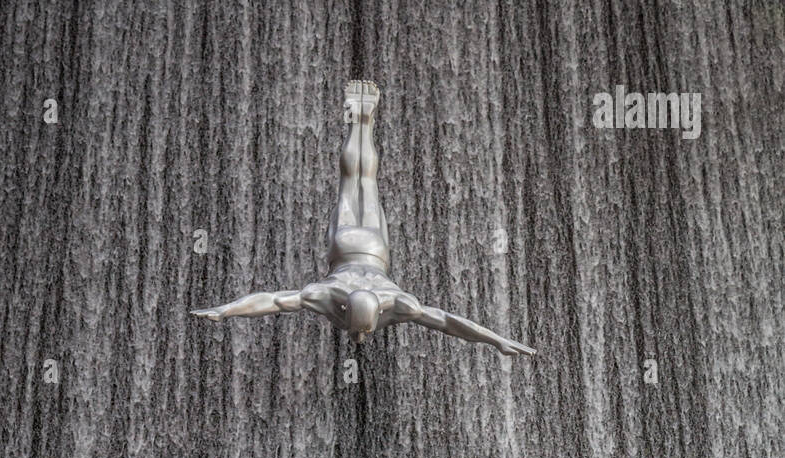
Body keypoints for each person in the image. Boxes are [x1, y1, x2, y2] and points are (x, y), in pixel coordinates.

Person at [193, 81, 536, 355]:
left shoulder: (340, 295)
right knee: (358, 180)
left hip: (371, 250)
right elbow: (450, 322)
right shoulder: (383, 302)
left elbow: (271, 300)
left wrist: (226, 310)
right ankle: (362, 121)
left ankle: (363, 121)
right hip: (349, 248)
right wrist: (496, 340)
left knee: (361, 180)